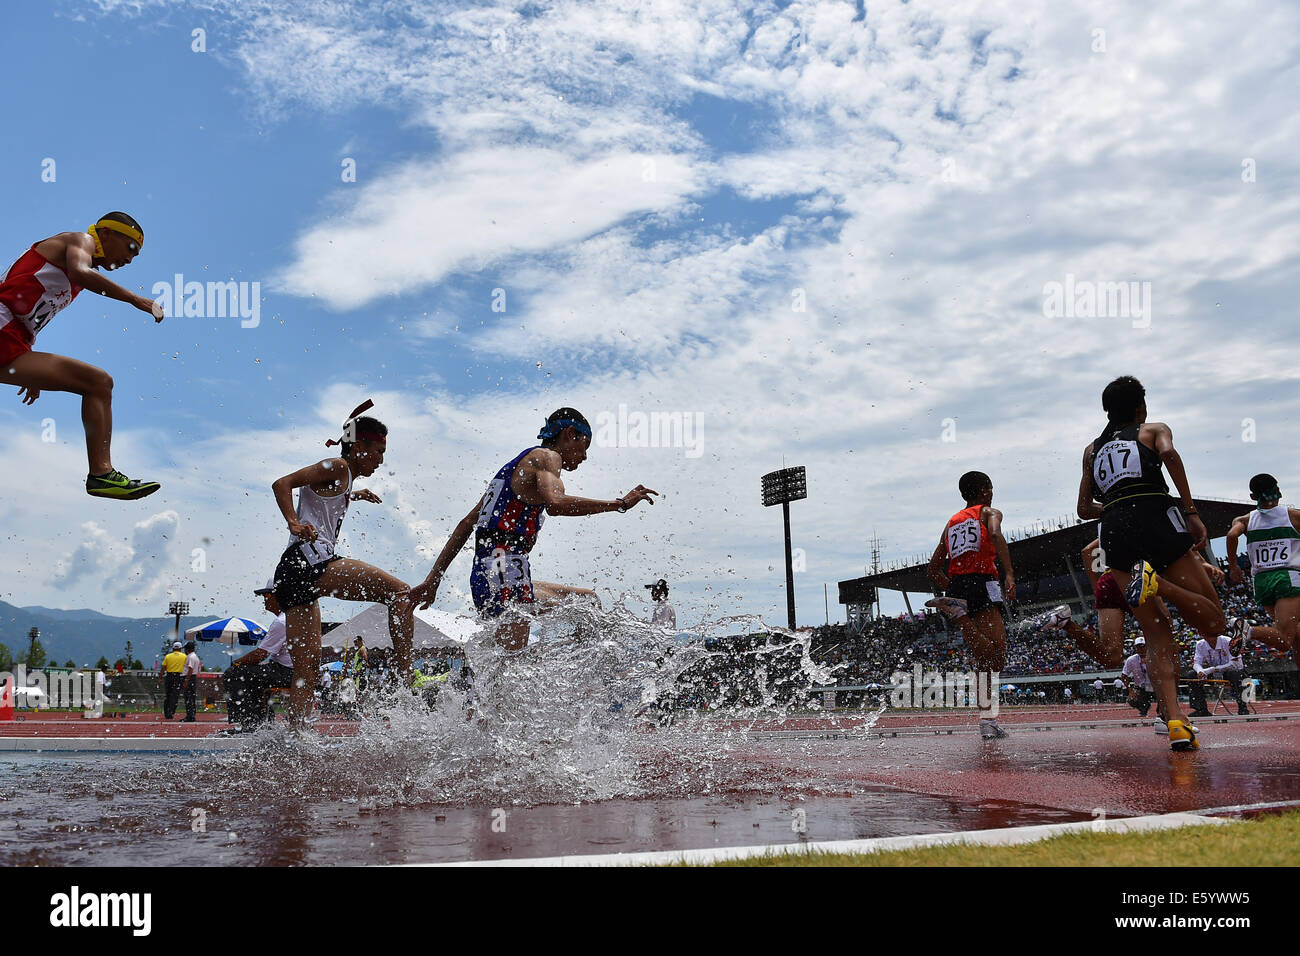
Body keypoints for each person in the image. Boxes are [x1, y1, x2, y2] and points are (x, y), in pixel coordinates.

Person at [411, 408, 658, 650]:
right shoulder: (547, 458)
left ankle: (583, 685)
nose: (584, 456)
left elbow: (467, 523)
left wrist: (434, 579)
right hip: (501, 569)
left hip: (497, 571)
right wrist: (619, 504)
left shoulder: (515, 467)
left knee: (587, 603)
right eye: (585, 446)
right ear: (569, 434)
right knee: (512, 667)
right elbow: (556, 504)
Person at [1076, 376, 1227, 751]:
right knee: (1214, 622)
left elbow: (1082, 509)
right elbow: (1171, 456)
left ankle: (1175, 720)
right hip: (1154, 513)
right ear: (1141, 406)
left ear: (1107, 410)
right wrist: (1190, 511)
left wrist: (1115, 507)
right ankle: (1161, 584)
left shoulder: (1091, 450)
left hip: (1113, 529)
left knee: (1158, 634)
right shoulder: (1153, 429)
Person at [269, 401, 414, 729]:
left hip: (293, 572)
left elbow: (323, 493)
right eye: (378, 452)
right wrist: (293, 522)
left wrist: (354, 493)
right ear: (359, 447)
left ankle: (298, 740)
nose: (381, 461)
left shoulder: (343, 477)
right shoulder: (336, 466)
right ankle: (406, 684)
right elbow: (282, 484)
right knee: (401, 593)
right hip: (311, 562)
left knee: (306, 670)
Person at [2, 213, 163, 499]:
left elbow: (25, 309)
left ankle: (102, 475)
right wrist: (135, 299)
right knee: (97, 382)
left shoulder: (75, 274)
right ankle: (101, 475)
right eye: (131, 248)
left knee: (98, 383)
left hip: (12, 339)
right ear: (108, 234)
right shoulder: (81, 240)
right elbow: (80, 272)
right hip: (5, 333)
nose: (131, 259)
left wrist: (29, 361)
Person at [924, 470, 1015, 740]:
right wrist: (1009, 573)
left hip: (958, 586)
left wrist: (952, 588)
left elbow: (932, 569)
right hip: (983, 582)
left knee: (983, 661)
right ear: (985, 489)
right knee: (997, 657)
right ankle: (960, 615)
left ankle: (988, 722)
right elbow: (996, 536)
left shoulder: (952, 522)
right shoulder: (988, 512)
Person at [1225, 474, 1300, 666]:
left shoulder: (1245, 519)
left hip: (1262, 582)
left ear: (1253, 497)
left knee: (1296, 637)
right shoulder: (1293, 516)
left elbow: (1232, 535)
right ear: (1279, 491)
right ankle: (1248, 631)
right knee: (1285, 640)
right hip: (1287, 579)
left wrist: (1233, 567)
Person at [222, 581, 295, 732]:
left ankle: (249, 724)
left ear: (278, 596)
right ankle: (263, 722)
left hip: (287, 672)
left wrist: (236, 662)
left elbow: (260, 655)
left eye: (267, 595)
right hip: (292, 671)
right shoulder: (291, 617)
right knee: (254, 676)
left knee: (234, 674)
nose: (265, 599)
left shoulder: (281, 622)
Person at [1189, 633, 1246, 717]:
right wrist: (1200, 672)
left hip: (1233, 672)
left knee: (1234, 673)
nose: (1209, 639)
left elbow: (1235, 664)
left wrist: (1211, 670)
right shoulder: (1200, 644)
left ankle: (1243, 708)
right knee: (1192, 675)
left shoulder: (1228, 641)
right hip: (1213, 673)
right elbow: (1196, 663)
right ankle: (1201, 709)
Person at [1119, 636, 1164, 733]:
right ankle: (1143, 707)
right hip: (1142, 687)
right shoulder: (1131, 660)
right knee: (1131, 700)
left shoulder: (1156, 657)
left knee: (1164, 698)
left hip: (1156, 686)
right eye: (1138, 647)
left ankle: (1161, 709)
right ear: (1135, 648)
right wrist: (1131, 690)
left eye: (1143, 646)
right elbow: (1124, 676)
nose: (1141, 649)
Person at [161, 641, 186, 719]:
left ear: (173, 648)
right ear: (180, 648)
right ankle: (172, 711)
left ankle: (166, 712)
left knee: (168, 695)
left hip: (169, 676)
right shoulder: (184, 656)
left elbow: (163, 668)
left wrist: (160, 677)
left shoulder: (168, 656)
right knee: (175, 695)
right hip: (179, 677)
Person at [181, 642, 202, 722]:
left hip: (189, 677)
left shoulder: (190, 657)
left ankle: (190, 716)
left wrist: (186, 680)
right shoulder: (195, 656)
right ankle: (192, 715)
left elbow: (190, 669)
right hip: (193, 678)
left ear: (187, 649)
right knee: (192, 698)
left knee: (188, 697)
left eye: (185, 649)